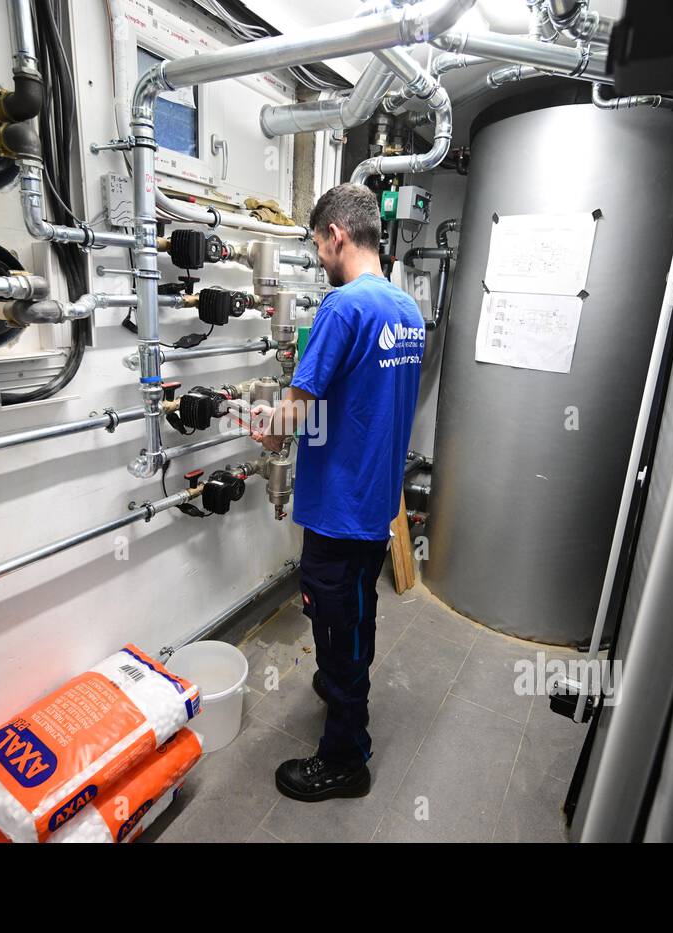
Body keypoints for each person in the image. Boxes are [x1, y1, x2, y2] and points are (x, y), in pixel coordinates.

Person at [250, 183, 425, 801]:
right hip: (376, 503)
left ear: (337, 235)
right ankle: (340, 678)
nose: (320, 258)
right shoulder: (406, 311)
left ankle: (346, 757)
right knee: (354, 610)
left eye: (319, 245)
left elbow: (298, 412)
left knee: (337, 623)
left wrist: (264, 427)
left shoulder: (344, 308)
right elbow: (359, 405)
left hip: (340, 508)